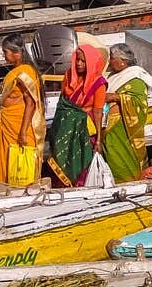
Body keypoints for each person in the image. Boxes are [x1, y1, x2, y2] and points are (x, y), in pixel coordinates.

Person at [0, 33, 45, 188]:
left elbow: (31, 104)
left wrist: (23, 132)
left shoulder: (26, 72)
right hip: (8, 123)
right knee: (7, 161)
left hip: (19, 126)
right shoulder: (17, 71)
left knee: (19, 166)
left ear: (16, 52)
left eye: (5, 52)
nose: (4, 55)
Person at [45, 41, 108, 187]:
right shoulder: (69, 75)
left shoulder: (98, 83)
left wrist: (99, 139)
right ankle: (61, 187)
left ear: (91, 62)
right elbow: (63, 104)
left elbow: (98, 111)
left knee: (81, 162)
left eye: (83, 61)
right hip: (64, 127)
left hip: (84, 129)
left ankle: (80, 187)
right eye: (77, 60)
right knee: (60, 160)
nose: (79, 64)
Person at [100, 44, 152, 183]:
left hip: (124, 129)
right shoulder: (113, 74)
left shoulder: (135, 78)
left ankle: (128, 183)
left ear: (123, 60)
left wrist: (116, 97)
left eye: (112, 58)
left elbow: (139, 103)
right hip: (109, 125)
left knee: (122, 157)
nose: (109, 62)